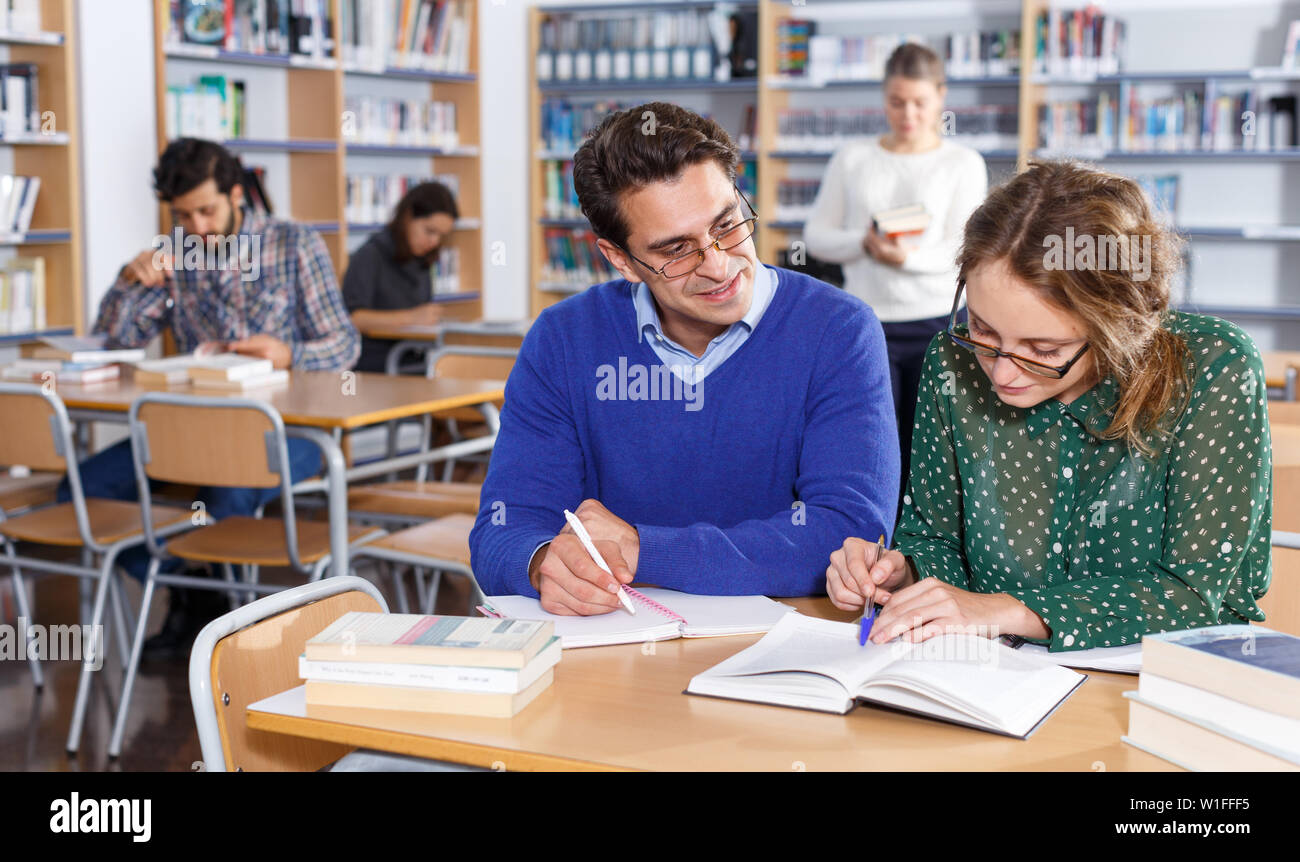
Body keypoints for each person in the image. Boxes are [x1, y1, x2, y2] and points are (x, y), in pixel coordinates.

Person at [469, 102, 899, 614]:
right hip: (618, 649)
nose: (718, 266)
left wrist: (645, 550)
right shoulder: (563, 340)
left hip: (784, 654)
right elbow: (504, 527)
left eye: (726, 224)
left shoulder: (839, 330)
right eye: (676, 250)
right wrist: (543, 562)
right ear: (620, 260)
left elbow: (848, 533)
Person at [825, 160, 1272, 652]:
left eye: (1044, 350)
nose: (1001, 373)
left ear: (1116, 324)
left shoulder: (1213, 367)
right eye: (983, 330)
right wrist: (905, 570)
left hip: (1168, 684)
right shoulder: (952, 362)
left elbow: (1192, 594)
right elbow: (934, 539)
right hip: (992, 677)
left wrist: (1006, 610)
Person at [63, 137, 360, 654]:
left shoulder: (295, 244)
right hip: (188, 435)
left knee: (223, 497)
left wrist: (290, 354)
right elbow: (114, 341)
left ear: (237, 194)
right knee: (79, 492)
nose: (197, 227)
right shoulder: (176, 253)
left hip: (290, 435)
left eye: (207, 210)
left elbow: (345, 343)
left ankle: (220, 631)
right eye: (184, 215)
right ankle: (192, 592)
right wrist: (130, 281)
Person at [803, 42, 987, 483]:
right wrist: (864, 245)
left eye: (920, 103)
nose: (908, 114)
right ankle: (876, 534)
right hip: (866, 322)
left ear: (941, 97)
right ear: (883, 97)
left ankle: (924, 543)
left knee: (932, 443)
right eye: (896, 102)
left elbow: (965, 247)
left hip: (938, 323)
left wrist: (904, 258)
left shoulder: (962, 163)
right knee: (872, 442)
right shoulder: (853, 158)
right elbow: (816, 237)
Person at [342, 181, 459, 373]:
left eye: (441, 236)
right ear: (407, 217)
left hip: (413, 360)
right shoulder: (369, 255)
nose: (434, 241)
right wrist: (411, 317)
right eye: (429, 231)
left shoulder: (422, 261)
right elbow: (352, 318)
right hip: (376, 367)